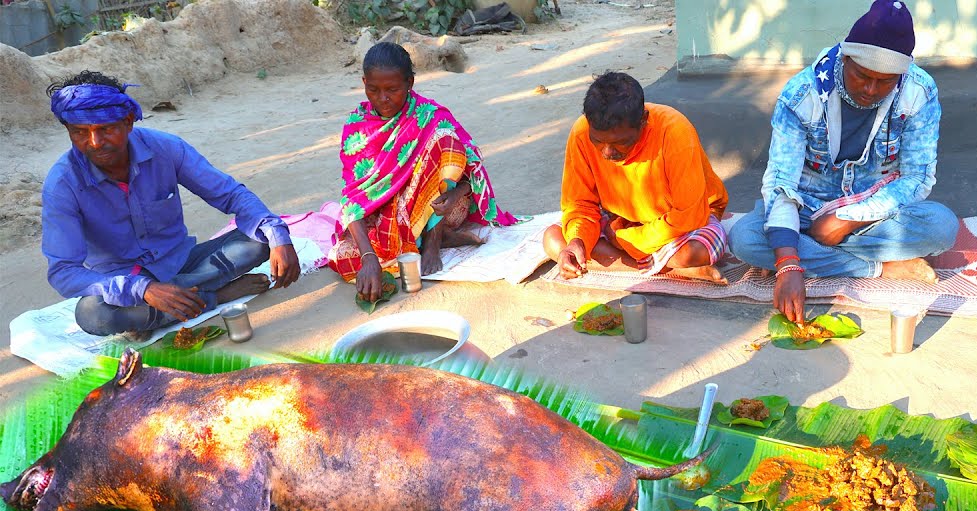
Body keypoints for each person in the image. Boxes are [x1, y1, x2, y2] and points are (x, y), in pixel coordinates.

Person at [728, 0, 959, 322]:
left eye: (885, 81)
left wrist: (850, 218)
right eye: (862, 76)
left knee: (942, 228)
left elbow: (917, 177)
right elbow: (782, 182)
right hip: (806, 207)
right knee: (744, 239)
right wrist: (788, 263)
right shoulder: (802, 94)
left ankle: (812, 250)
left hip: (872, 209)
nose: (871, 89)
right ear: (845, 58)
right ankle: (880, 267)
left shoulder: (919, 91)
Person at [41, 70, 300, 337]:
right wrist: (143, 290)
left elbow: (230, 194)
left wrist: (278, 237)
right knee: (93, 315)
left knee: (262, 239)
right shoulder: (62, 184)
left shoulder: (166, 148)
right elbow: (64, 271)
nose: (95, 143)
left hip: (182, 261)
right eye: (80, 132)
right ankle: (216, 296)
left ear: (128, 121)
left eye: (105, 129)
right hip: (123, 284)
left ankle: (154, 315)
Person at [333, 42, 517, 302]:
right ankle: (431, 240)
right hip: (391, 218)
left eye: (392, 90)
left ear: (410, 83)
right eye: (373, 89)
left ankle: (434, 240)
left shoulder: (430, 115)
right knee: (344, 258)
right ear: (364, 82)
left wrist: (455, 195)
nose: (382, 98)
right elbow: (353, 199)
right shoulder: (356, 128)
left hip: (440, 209)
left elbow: (473, 167)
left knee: (444, 138)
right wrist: (369, 258)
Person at [544, 71, 730, 283]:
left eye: (620, 142)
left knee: (695, 252)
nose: (607, 153)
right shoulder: (581, 132)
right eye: (598, 141)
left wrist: (622, 239)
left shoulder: (674, 131)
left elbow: (687, 216)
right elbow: (579, 204)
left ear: (643, 121)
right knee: (555, 241)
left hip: (676, 224)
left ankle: (647, 264)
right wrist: (578, 241)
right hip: (617, 220)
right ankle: (671, 271)